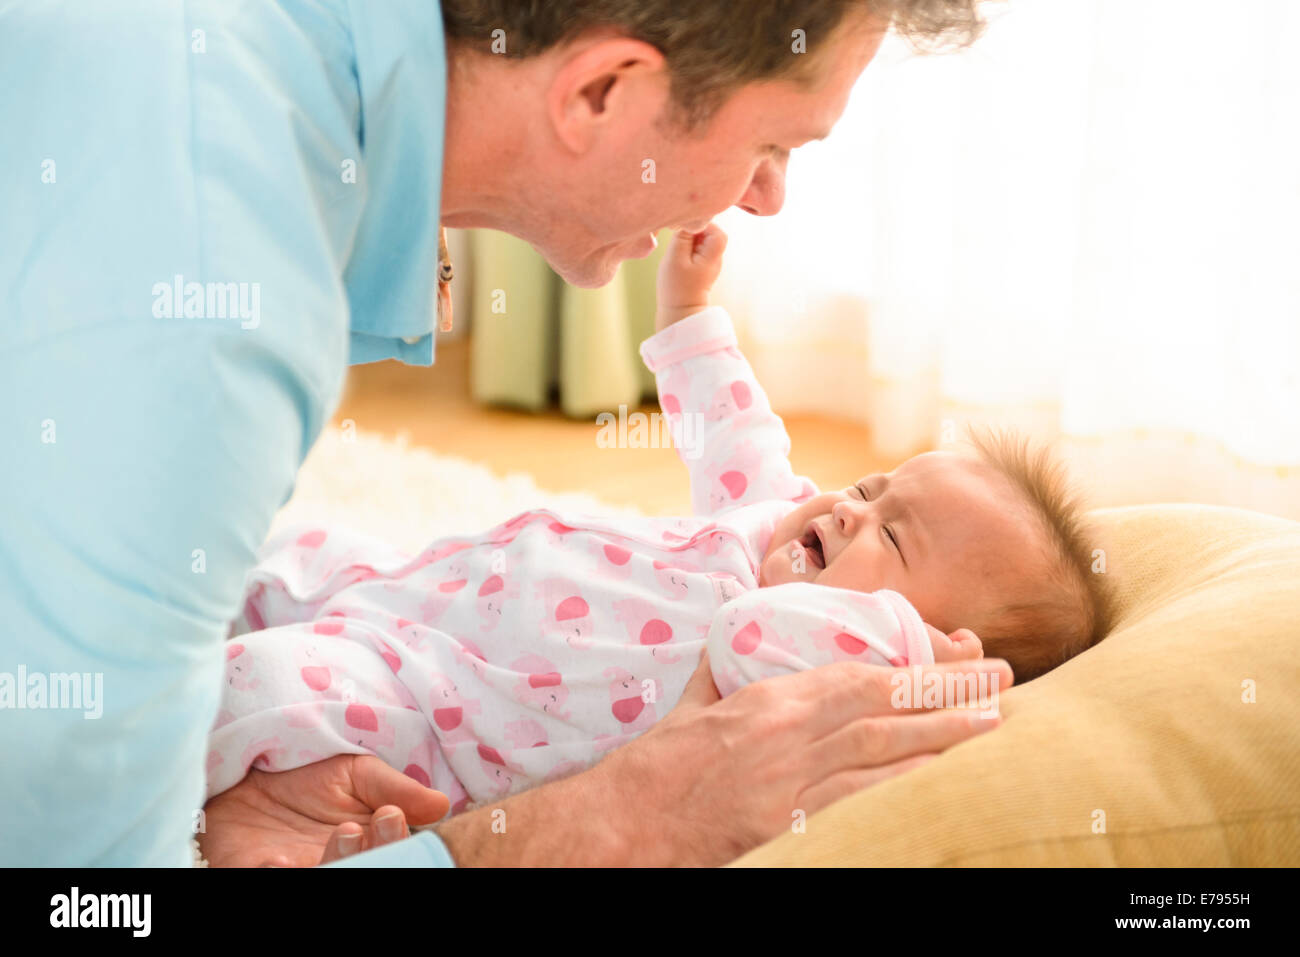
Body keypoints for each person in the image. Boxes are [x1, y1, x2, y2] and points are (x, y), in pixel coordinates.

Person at [0, 0, 1002, 868]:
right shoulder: (213, 319)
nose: (765, 195)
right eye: (773, 144)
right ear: (604, 92)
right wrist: (603, 825)